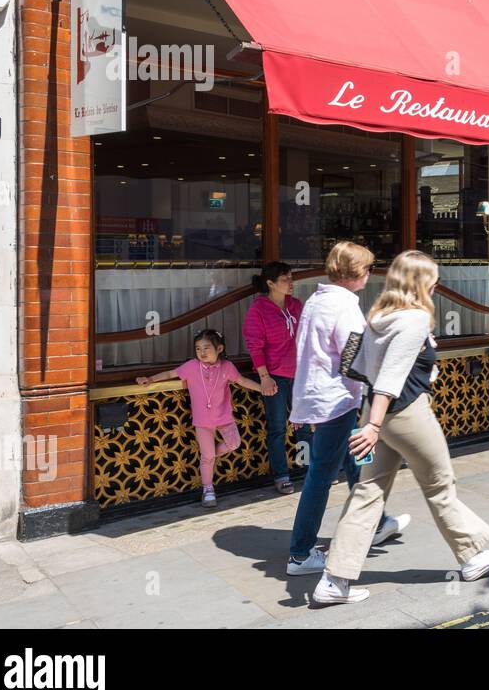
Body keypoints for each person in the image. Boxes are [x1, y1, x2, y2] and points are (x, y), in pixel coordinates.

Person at [313, 250, 489, 603]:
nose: (436, 285)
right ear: (419, 282)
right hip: (405, 414)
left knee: (368, 492)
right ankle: (472, 556)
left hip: (377, 412)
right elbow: (390, 378)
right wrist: (373, 426)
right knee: (439, 483)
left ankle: (334, 580)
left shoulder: (380, 315)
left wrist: (373, 421)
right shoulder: (415, 318)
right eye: (433, 279)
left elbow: (366, 369)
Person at [287, 242, 408, 577]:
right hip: (336, 401)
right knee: (321, 477)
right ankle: (299, 554)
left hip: (319, 397)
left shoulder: (317, 299)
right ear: (356, 273)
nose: (370, 275)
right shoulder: (345, 307)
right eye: (368, 269)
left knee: (357, 464)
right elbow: (354, 358)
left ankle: (379, 521)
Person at [138, 329, 264, 508]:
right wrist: (150, 379)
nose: (202, 353)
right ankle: (208, 489)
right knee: (207, 457)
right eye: (198, 349)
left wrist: (262, 388)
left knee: (234, 443)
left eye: (206, 348)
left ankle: (211, 454)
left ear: (219, 348)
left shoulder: (227, 367)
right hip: (202, 421)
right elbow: (170, 374)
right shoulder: (191, 366)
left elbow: (242, 381)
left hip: (224, 417)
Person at [243, 261, 305, 494]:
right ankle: (281, 475)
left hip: (299, 376)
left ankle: (309, 470)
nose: (291, 283)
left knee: (305, 426)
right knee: (278, 428)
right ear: (270, 283)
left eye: (291, 278)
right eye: (285, 279)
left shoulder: (296, 305)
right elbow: (255, 346)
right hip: (276, 377)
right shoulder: (258, 310)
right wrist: (264, 377)